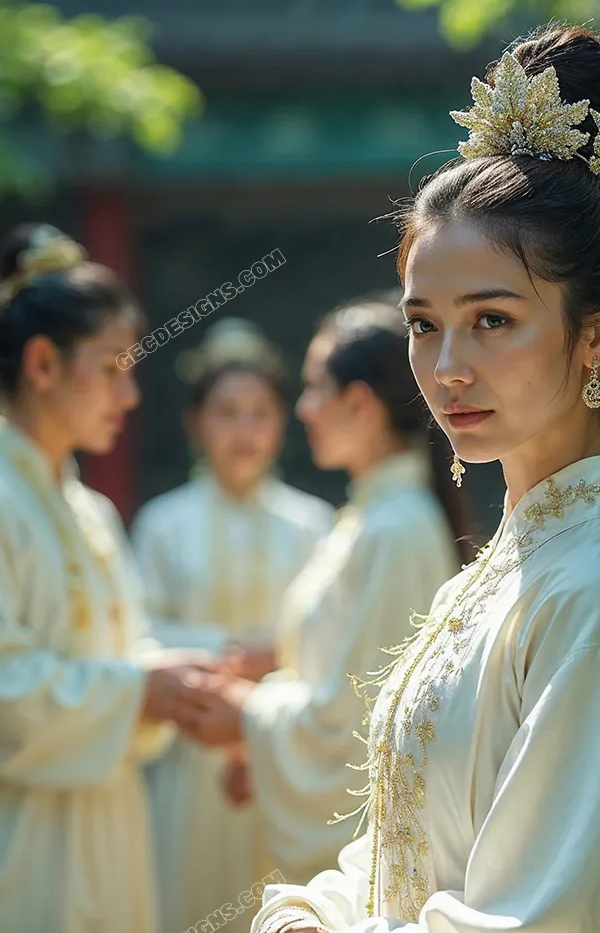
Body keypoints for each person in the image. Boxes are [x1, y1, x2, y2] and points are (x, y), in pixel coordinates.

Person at [250, 26, 600, 933]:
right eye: (423, 323)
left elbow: (545, 915)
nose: (446, 368)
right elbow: (414, 841)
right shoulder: (514, 566)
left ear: (599, 330)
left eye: (491, 320)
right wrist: (314, 910)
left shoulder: (590, 598)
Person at [0, 224, 212, 933]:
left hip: (98, 832)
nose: (128, 397)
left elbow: (113, 652)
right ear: (43, 363)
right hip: (2, 855)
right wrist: (140, 689)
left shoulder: (87, 510)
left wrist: (168, 678)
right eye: (112, 368)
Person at [185, 299, 469, 892]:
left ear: (359, 403)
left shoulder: (395, 531)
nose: (302, 409)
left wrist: (248, 717)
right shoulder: (370, 517)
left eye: (315, 388)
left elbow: (363, 722)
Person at [132, 318, 334, 933]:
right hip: (189, 754)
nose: (243, 431)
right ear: (196, 423)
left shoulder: (315, 525)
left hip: (283, 748)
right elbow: (136, 636)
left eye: (258, 413)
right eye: (226, 412)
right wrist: (224, 655)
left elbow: (337, 641)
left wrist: (274, 659)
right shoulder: (161, 524)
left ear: (283, 421)